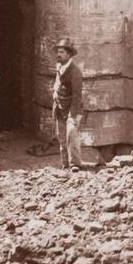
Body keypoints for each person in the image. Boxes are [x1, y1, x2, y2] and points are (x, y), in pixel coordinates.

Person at [52, 39, 85, 169]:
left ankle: (75, 164)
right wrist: (55, 91)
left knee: (71, 132)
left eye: (61, 52)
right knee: (61, 137)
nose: (58, 54)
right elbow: (57, 81)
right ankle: (65, 165)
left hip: (72, 107)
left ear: (69, 55)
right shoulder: (59, 66)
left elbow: (77, 96)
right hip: (60, 106)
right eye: (58, 52)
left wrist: (73, 115)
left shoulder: (75, 72)